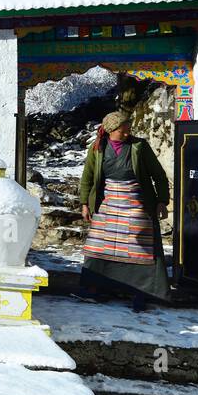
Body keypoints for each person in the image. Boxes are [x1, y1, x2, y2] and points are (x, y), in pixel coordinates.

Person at [79, 110, 170, 310]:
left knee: (140, 245)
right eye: (123, 130)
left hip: (136, 202)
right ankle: (95, 287)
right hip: (108, 202)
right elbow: (87, 177)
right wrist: (85, 202)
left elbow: (159, 175)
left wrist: (162, 201)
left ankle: (141, 292)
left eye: (128, 128)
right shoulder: (97, 148)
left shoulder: (139, 147)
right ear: (111, 131)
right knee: (99, 245)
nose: (128, 133)